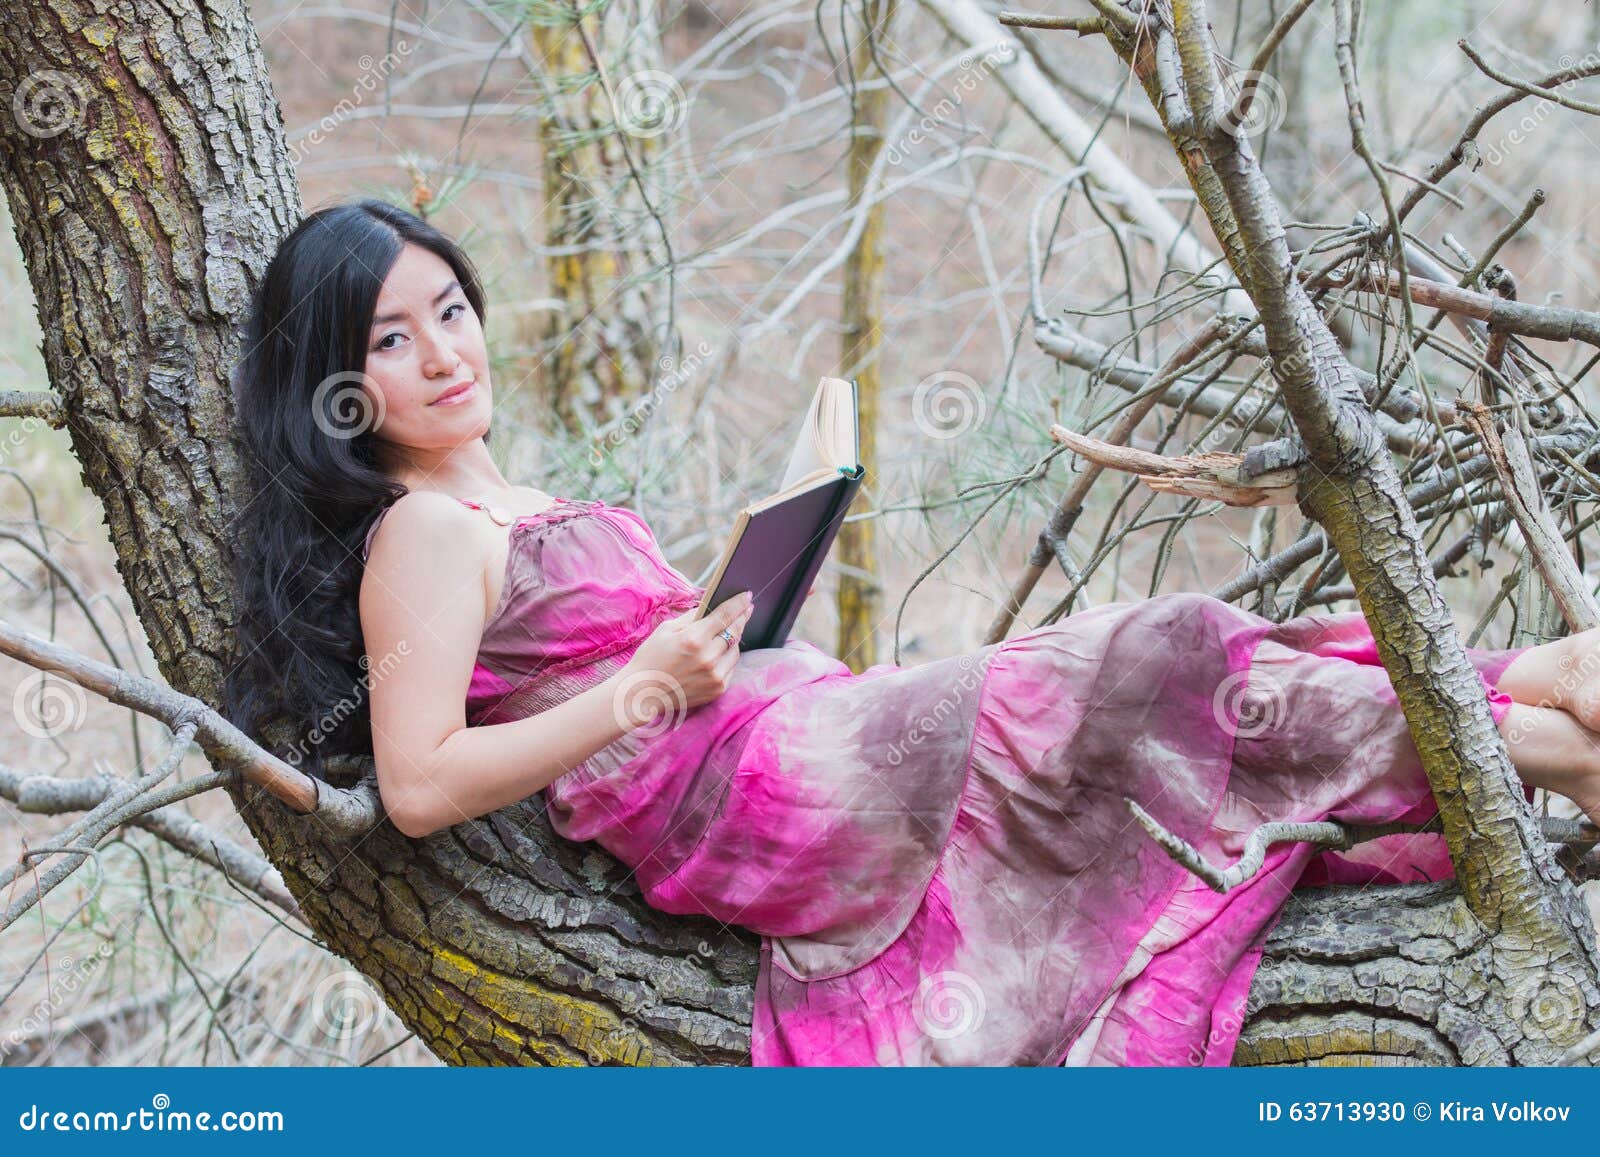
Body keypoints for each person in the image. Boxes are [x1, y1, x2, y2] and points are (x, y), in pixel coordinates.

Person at [225, 198, 1600, 1066]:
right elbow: (416, 785)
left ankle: (1534, 714)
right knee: (1159, 652)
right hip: (763, 810)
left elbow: (631, 653)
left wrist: (745, 598)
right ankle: (1529, 713)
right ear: (333, 381)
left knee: (1166, 663)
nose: (447, 351)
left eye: (451, 310)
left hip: (790, 737)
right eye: (393, 341)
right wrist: (644, 690)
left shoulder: (503, 494)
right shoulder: (416, 535)